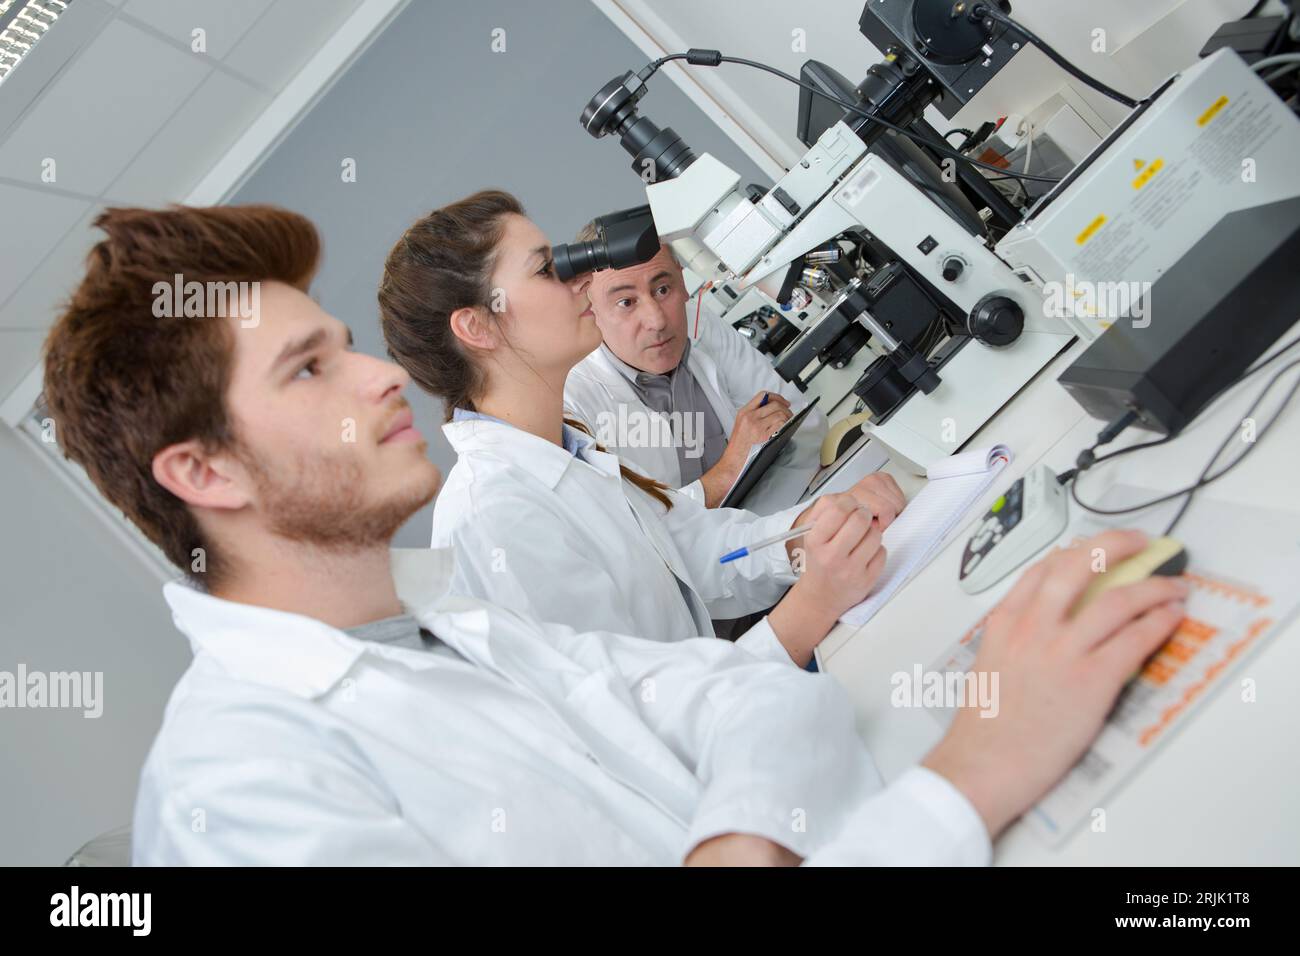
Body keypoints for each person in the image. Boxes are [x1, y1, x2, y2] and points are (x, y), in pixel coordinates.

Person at [42, 203, 1187, 866]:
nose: (383, 376)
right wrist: (967, 778)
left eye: (344, 341)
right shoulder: (239, 789)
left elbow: (751, 698)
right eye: (311, 368)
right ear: (202, 471)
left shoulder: (447, 624)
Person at [379, 190, 904, 667]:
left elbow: (701, 551)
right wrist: (812, 607)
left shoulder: (569, 451)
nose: (579, 279)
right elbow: (647, 714)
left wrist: (814, 532)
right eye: (547, 270)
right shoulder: (496, 515)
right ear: (478, 325)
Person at [563, 221, 828, 509]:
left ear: (682, 281)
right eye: (626, 302)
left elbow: (801, 427)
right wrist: (732, 465)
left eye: (663, 289)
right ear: (589, 312)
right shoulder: (576, 399)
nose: (657, 321)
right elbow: (645, 532)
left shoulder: (701, 323)